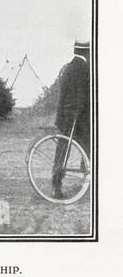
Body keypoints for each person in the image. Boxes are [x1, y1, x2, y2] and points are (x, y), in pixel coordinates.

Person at [53, 40, 91, 199]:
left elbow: (62, 96)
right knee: (86, 149)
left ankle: (57, 187)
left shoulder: (69, 67)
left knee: (63, 152)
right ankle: (84, 181)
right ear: (86, 52)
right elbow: (83, 95)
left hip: (66, 116)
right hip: (77, 117)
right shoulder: (82, 68)